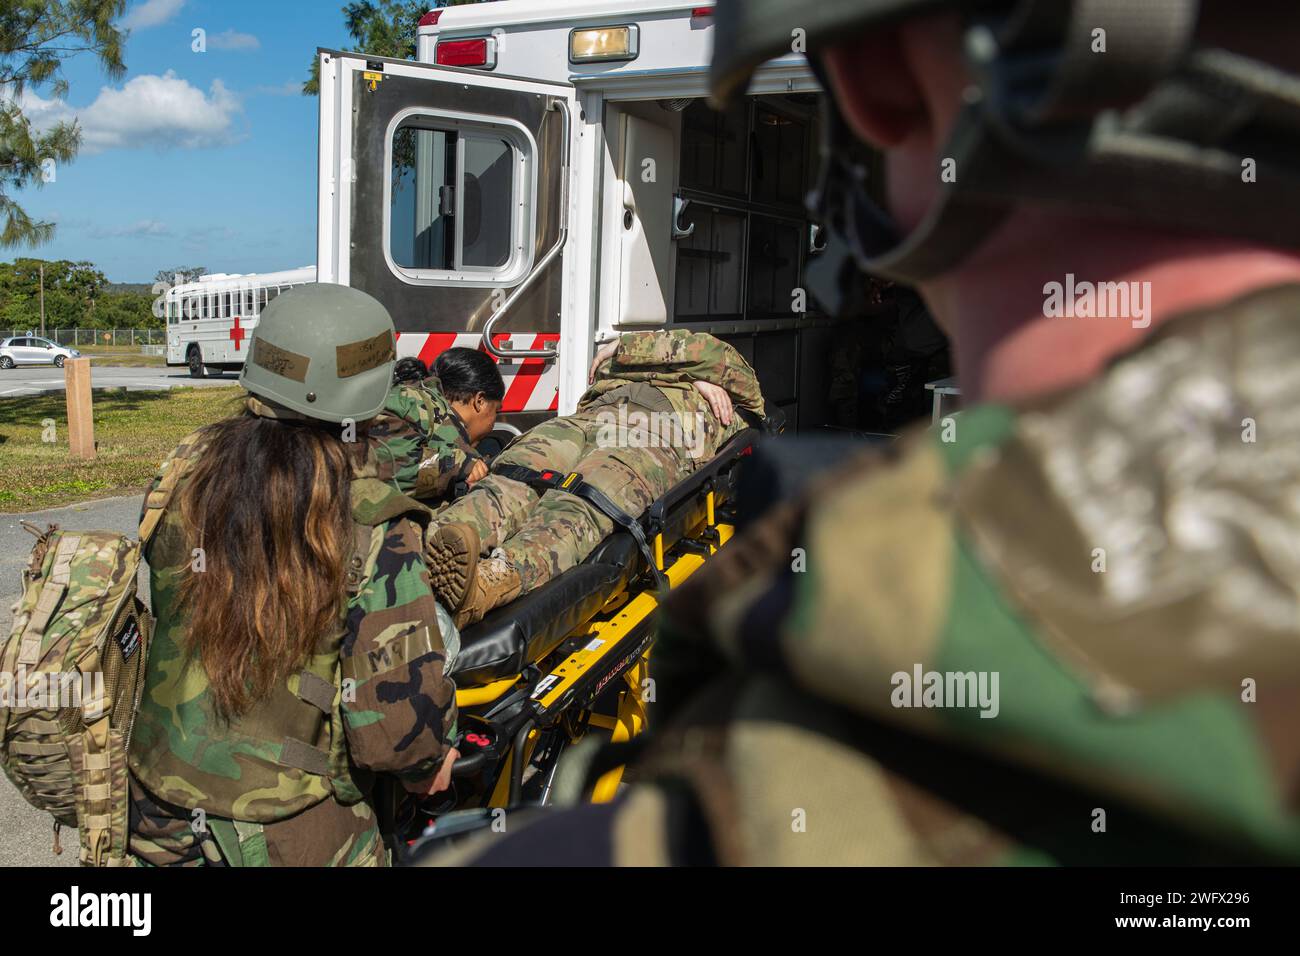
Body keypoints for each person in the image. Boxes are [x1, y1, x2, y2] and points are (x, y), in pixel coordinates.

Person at [426, 0, 1300, 865]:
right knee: (578, 489)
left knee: (551, 477)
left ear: (879, 84)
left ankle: (485, 554)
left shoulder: (650, 842)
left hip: (622, 424)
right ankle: (488, 559)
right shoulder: (725, 395)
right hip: (642, 431)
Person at [127, 283, 459, 867]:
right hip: (286, 832)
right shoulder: (372, 518)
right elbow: (393, 726)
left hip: (151, 804)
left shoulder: (185, 468)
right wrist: (430, 764)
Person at [424, 328, 765, 627]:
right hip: (586, 419)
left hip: (656, 429)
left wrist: (623, 347)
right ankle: (424, 553)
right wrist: (687, 375)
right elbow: (625, 363)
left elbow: (710, 353)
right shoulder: (646, 370)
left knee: (580, 504)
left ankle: (489, 582)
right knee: (512, 478)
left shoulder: (736, 388)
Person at [369, 347, 504, 501]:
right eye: (496, 411)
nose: (493, 423)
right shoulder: (409, 403)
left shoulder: (432, 414)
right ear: (480, 401)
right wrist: (460, 466)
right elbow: (392, 466)